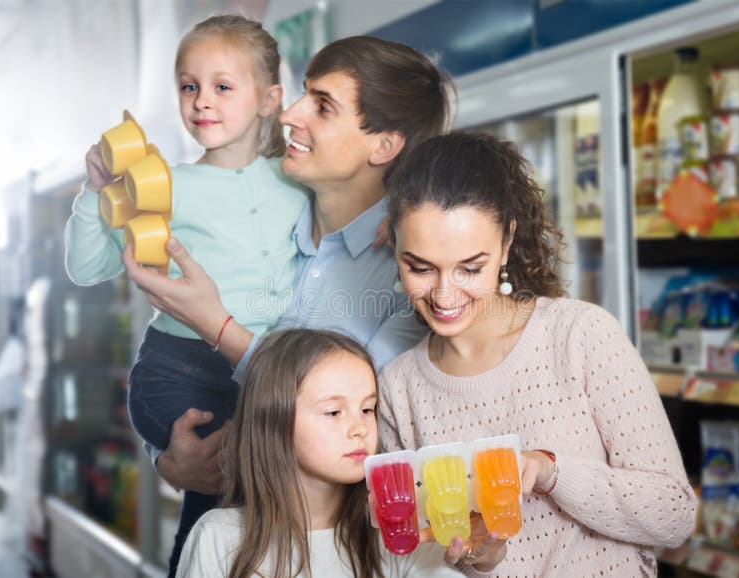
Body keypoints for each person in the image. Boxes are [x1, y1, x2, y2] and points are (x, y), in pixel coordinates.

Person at [122, 34, 452, 574]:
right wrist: (169, 456)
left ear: (384, 147)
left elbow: (360, 424)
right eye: (301, 94)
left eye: (322, 106)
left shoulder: (405, 271)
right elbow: (175, 368)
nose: (291, 115)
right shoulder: (263, 212)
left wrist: (215, 323)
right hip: (224, 527)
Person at [379, 132, 697, 577]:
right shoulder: (398, 387)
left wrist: (551, 472)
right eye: (420, 267)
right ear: (394, 247)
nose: (444, 294)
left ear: (507, 242)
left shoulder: (580, 335)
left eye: (470, 268)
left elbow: (674, 515)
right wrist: (478, 559)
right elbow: (428, 553)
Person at [64, 14, 307, 575]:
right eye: (189, 86)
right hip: (179, 371)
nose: (202, 101)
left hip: (262, 370)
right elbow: (85, 266)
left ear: (270, 99)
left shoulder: (297, 179)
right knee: (225, 499)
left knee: (241, 508)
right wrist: (94, 193)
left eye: (223, 86)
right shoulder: (163, 185)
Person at [176, 328, 506, 577]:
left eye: (367, 409)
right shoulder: (217, 537)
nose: (360, 428)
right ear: (272, 420)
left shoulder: (403, 533)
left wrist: (477, 558)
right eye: (334, 412)